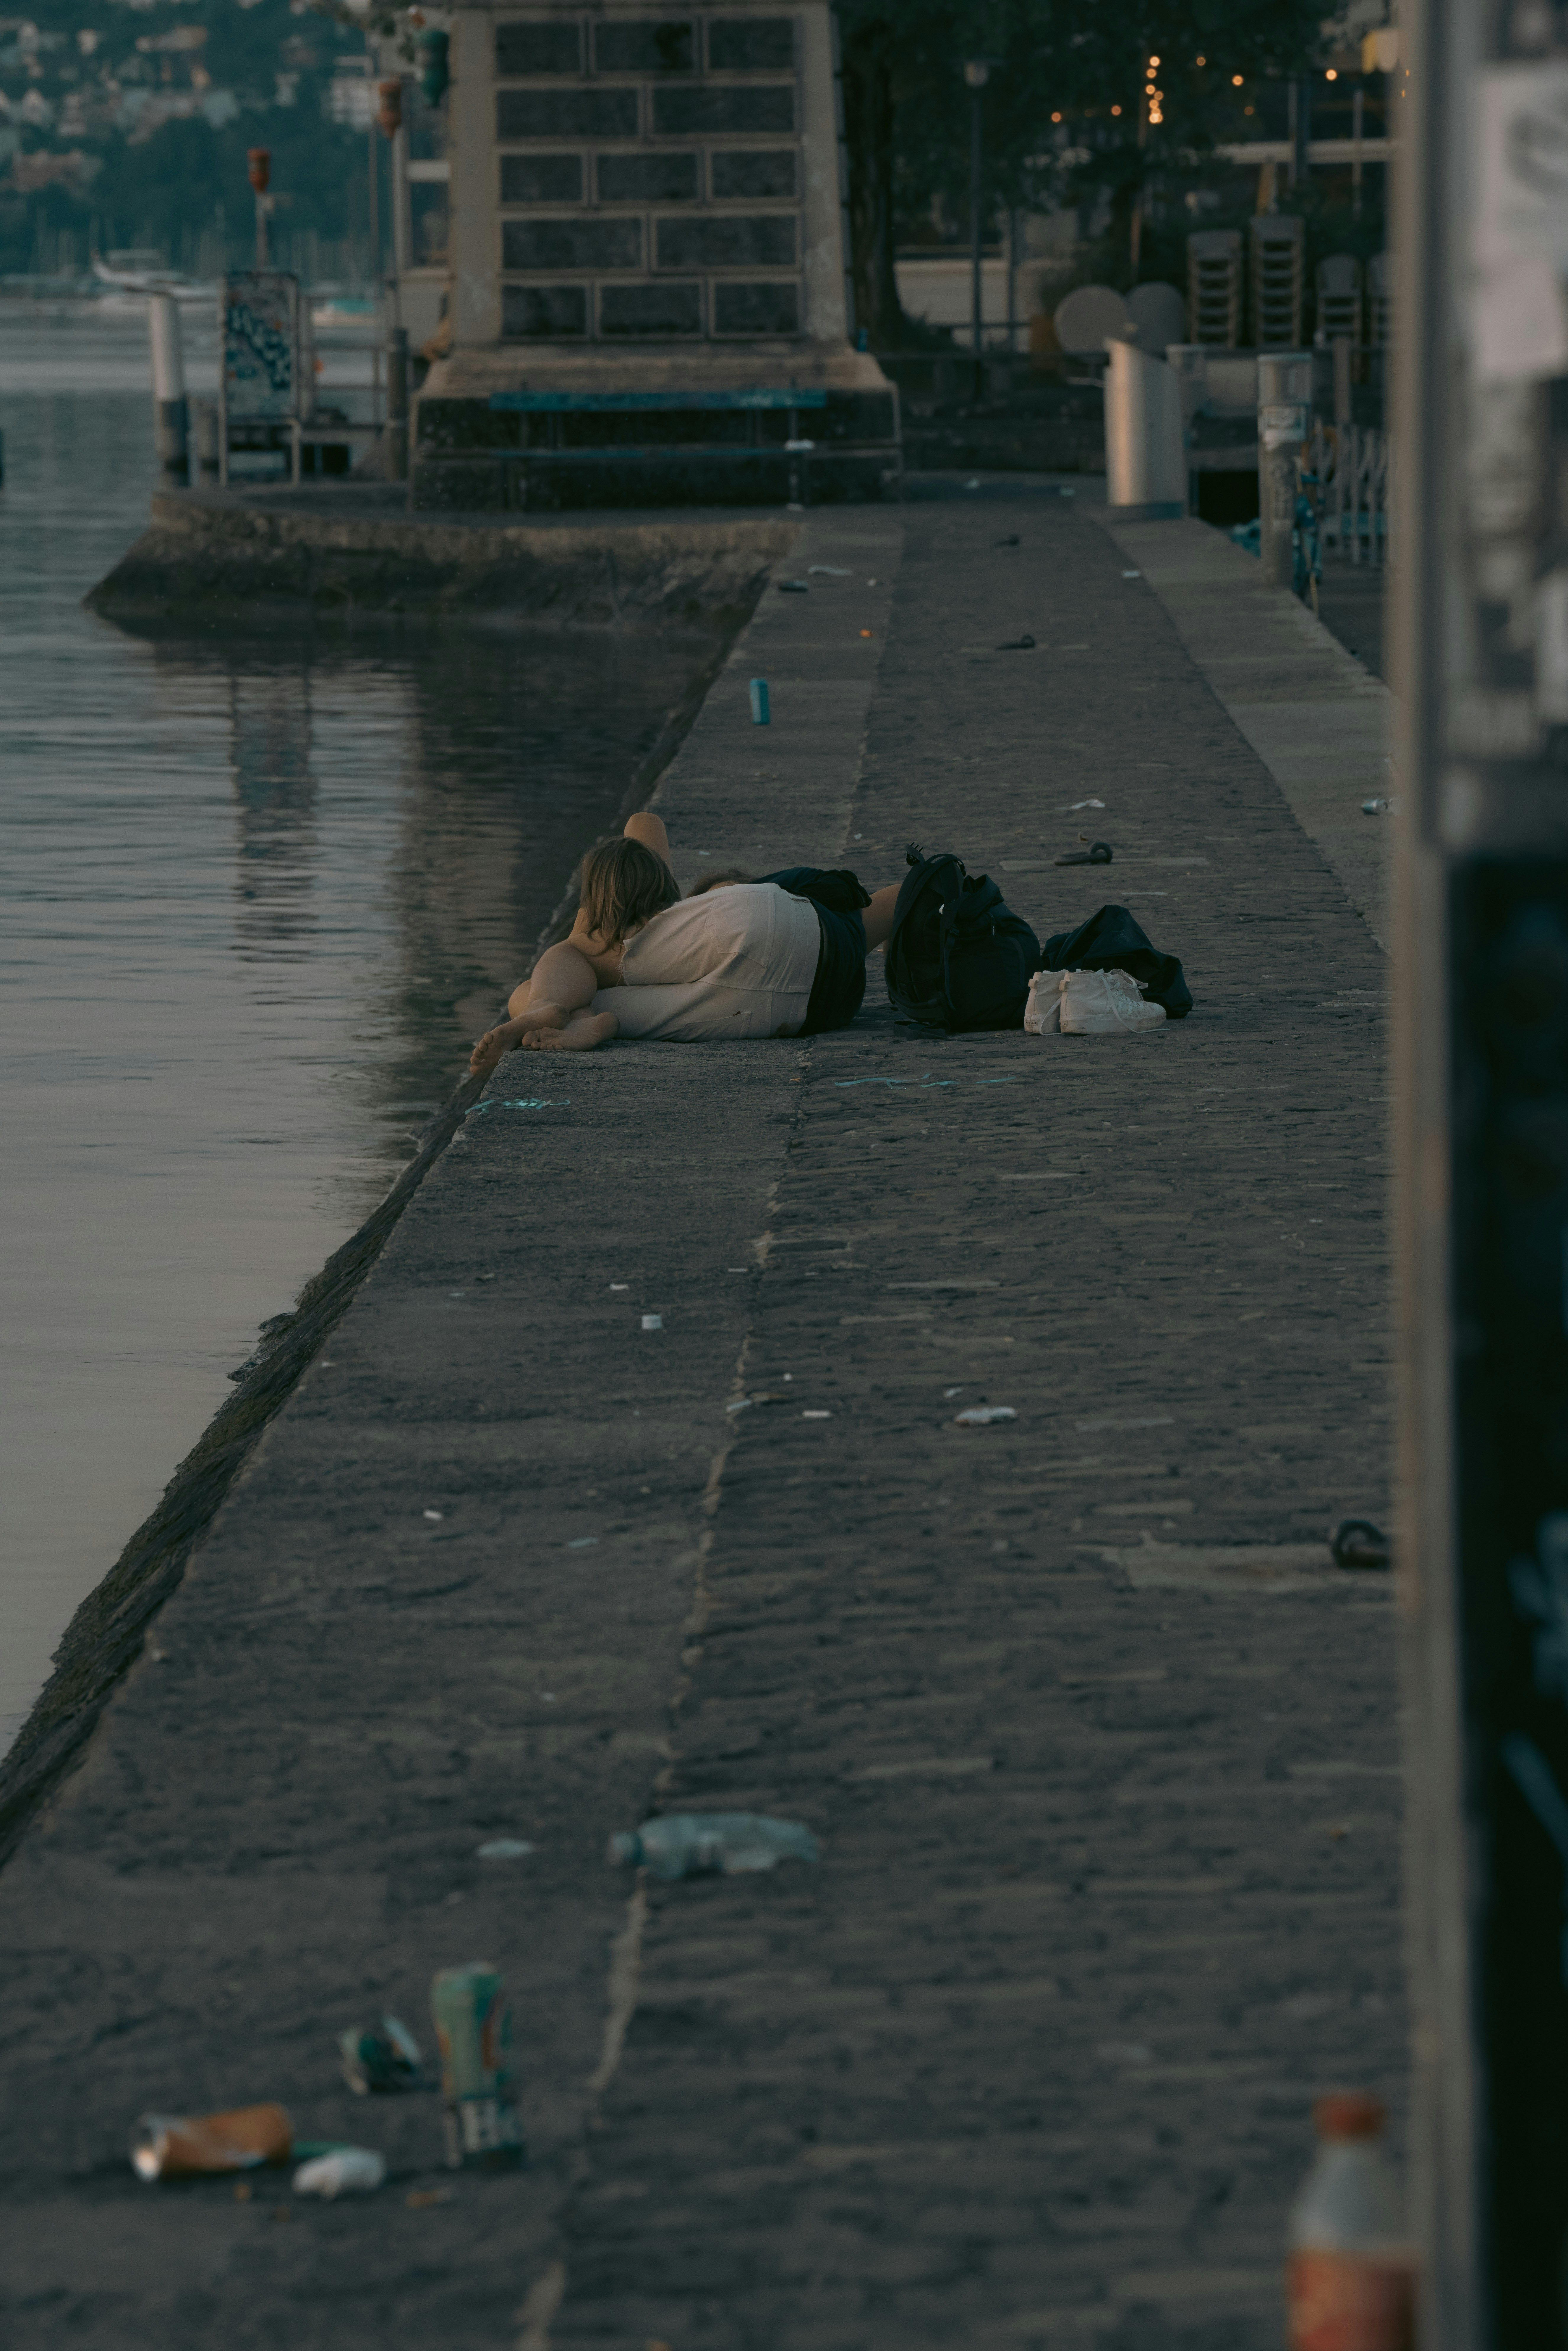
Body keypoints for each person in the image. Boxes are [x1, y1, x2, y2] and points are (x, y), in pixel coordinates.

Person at [468, 812, 899, 1074]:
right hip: (828, 981)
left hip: (793, 1005)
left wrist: (586, 928)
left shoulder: (662, 927)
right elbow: (901, 897)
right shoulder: (687, 917)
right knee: (578, 976)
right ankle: (572, 1013)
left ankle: (557, 1006)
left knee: (544, 979)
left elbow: (644, 822)